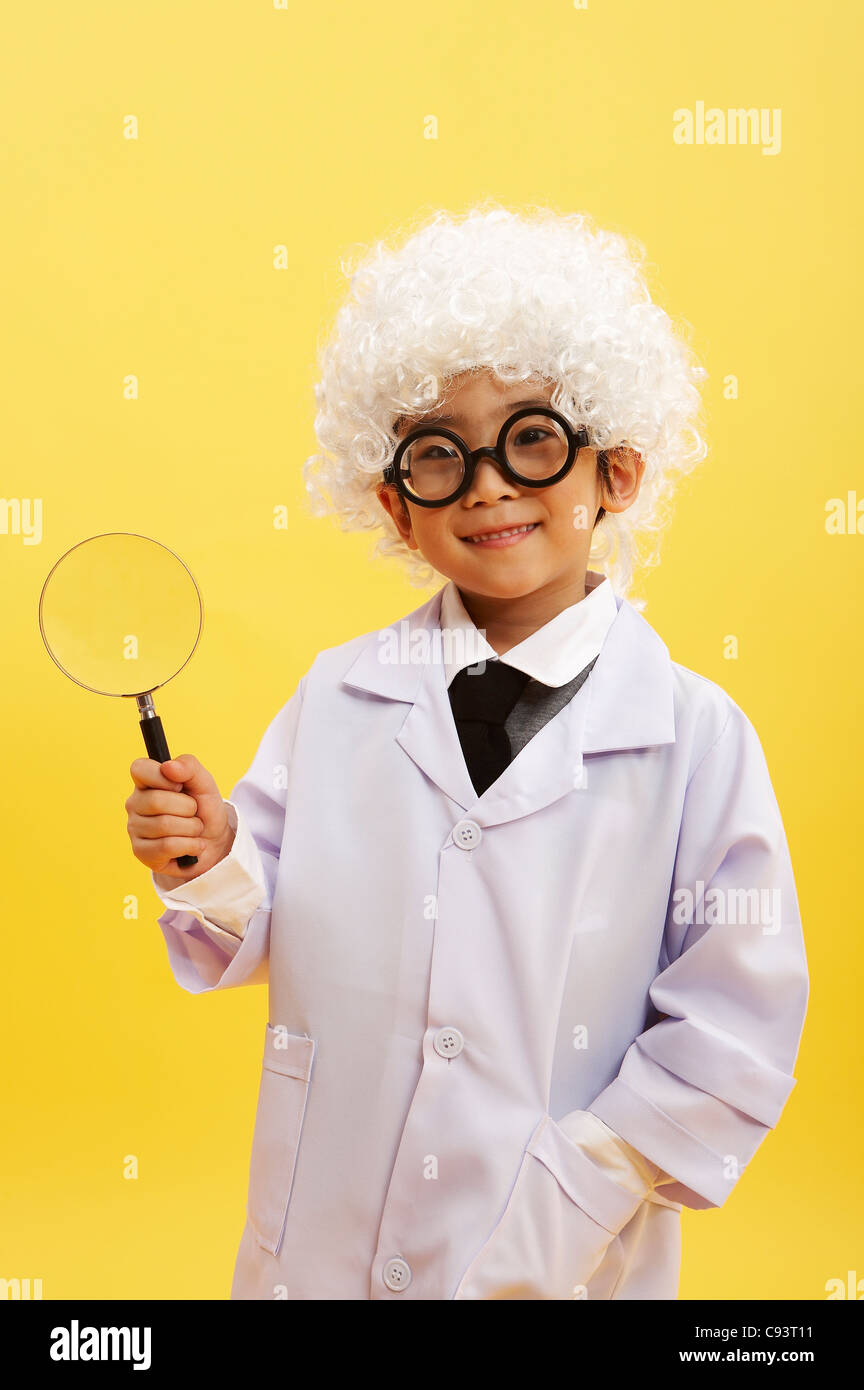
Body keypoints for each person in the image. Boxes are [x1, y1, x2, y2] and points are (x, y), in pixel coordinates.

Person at [125, 203, 809, 1300]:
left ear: (616, 473)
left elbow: (736, 1025)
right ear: (398, 507)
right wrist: (206, 860)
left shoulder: (695, 736)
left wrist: (577, 1191)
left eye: (533, 438)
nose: (488, 483)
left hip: (558, 1251)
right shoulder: (336, 697)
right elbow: (248, 924)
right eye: (440, 455)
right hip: (321, 1245)